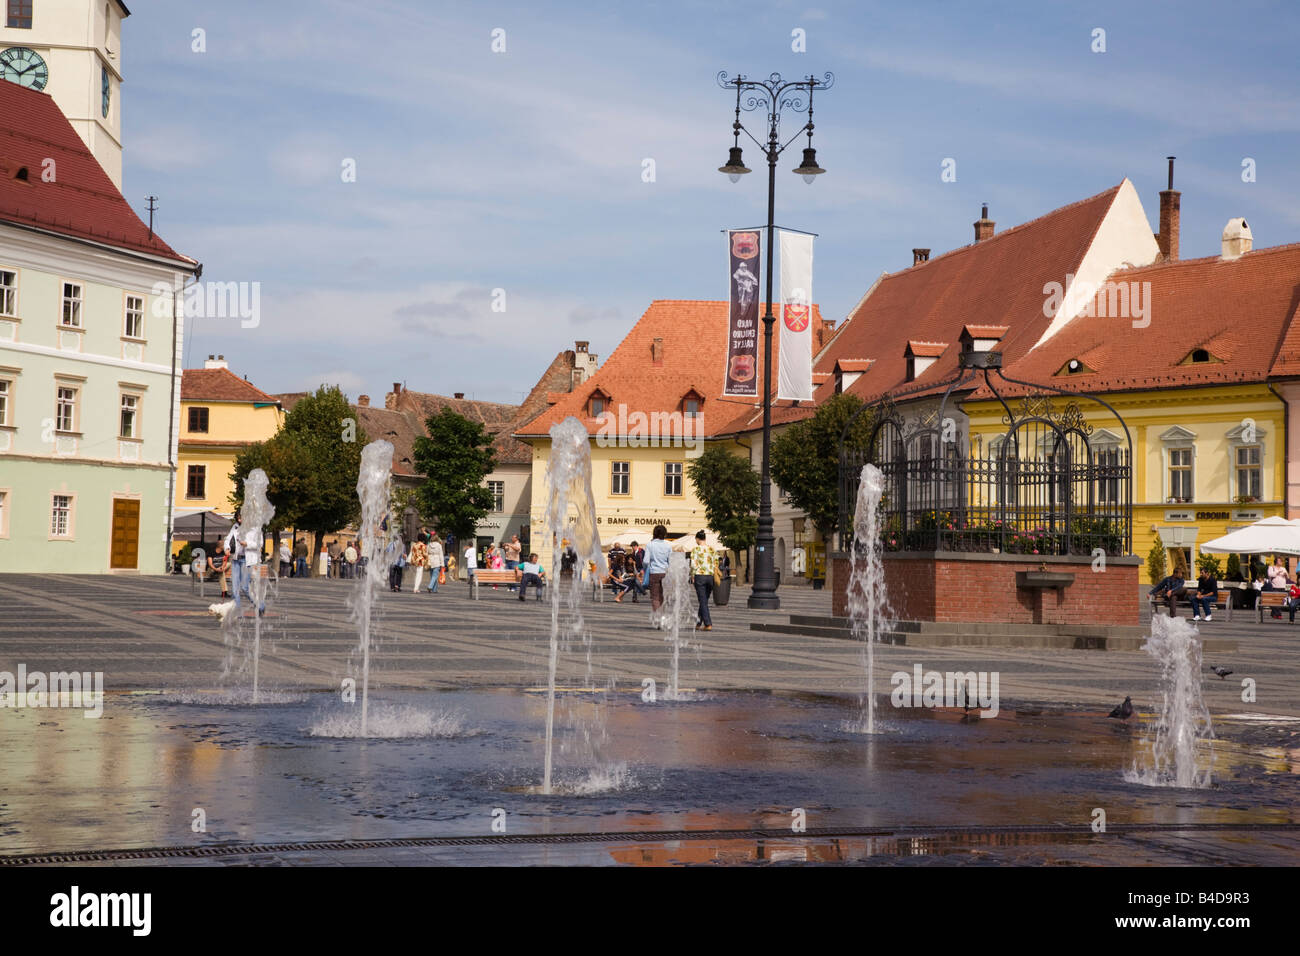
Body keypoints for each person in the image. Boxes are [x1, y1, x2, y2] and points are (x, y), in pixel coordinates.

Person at [645, 525, 673, 628]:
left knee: (655, 598)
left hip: (654, 573)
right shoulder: (668, 546)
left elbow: (645, 561)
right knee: (664, 597)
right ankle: (663, 619)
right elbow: (671, 561)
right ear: (664, 533)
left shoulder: (650, 545)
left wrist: (645, 569)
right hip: (665, 573)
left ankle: (658, 619)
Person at [690, 529, 718, 630]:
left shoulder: (695, 550)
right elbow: (716, 563)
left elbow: (693, 564)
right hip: (710, 577)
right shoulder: (712, 549)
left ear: (698, 539)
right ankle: (698, 623)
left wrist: (692, 575)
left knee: (702, 601)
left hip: (700, 576)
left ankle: (708, 623)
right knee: (704, 600)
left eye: (696, 539)